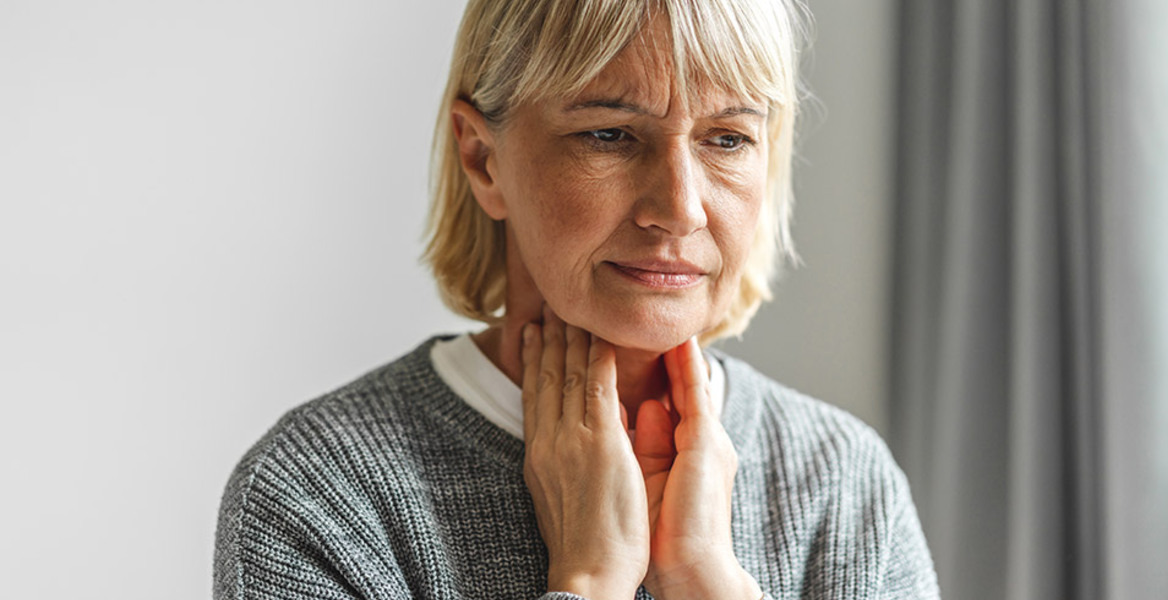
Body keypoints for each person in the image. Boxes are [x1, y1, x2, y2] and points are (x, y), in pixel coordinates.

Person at [213, 0, 940, 598]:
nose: (680, 208)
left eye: (725, 139)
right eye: (609, 134)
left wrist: (706, 583)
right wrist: (589, 583)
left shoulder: (843, 485)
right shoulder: (319, 494)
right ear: (482, 157)